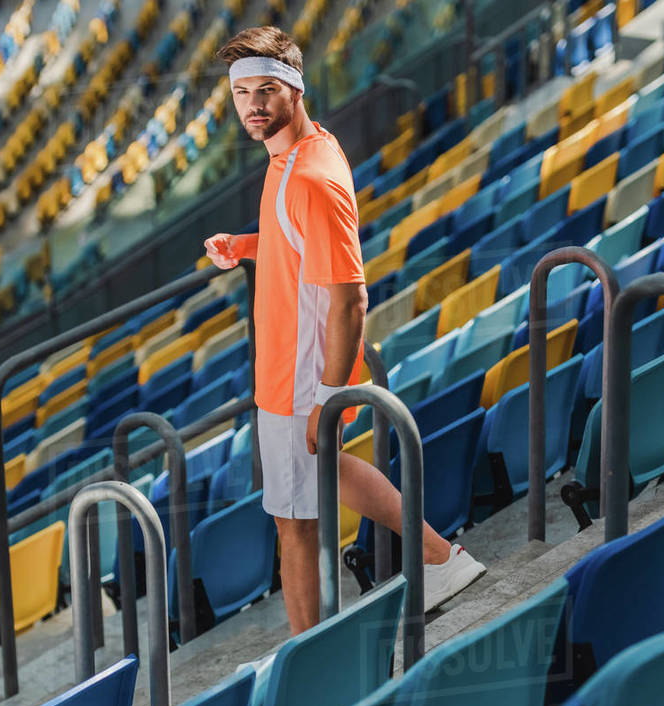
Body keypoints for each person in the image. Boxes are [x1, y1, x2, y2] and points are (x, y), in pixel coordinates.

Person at [204, 27, 486, 635]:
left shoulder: (310, 177)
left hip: (298, 376)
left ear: (295, 90)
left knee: (292, 524)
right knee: (324, 478)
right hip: (291, 370)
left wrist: (329, 398)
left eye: (266, 91)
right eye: (242, 92)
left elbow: (350, 296)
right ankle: (440, 558)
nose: (253, 105)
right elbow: (298, 244)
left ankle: (307, 655)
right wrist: (248, 246)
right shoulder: (298, 154)